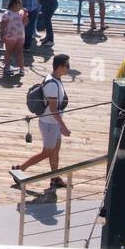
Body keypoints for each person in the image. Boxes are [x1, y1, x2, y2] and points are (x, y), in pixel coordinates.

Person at [12, 54, 72, 190]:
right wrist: (63, 126)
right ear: (60, 66)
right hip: (49, 123)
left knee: (55, 151)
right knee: (47, 152)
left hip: (54, 123)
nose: (69, 68)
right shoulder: (52, 84)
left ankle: (55, 178)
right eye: (67, 66)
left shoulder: (56, 80)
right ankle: (20, 169)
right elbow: (52, 108)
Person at [0, 0, 26, 77]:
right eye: (19, 4)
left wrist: (26, 15)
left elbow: (25, 23)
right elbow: (2, 26)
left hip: (20, 36)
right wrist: (2, 36)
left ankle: (21, 68)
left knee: (20, 52)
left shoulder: (21, 13)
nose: (21, 6)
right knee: (8, 52)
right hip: (10, 36)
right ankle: (7, 67)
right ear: (14, 5)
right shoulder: (7, 14)